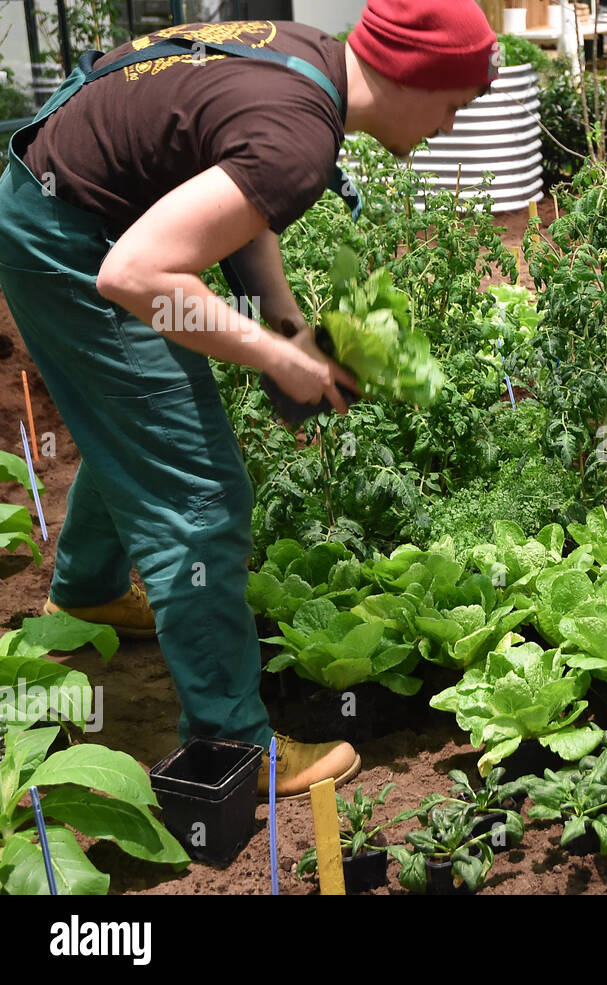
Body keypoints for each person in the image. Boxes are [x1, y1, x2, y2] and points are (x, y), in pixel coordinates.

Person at [0, 1, 499, 799]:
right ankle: (233, 746)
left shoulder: (311, 63)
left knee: (139, 418)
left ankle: (89, 589)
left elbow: (240, 198)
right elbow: (134, 278)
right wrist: (275, 357)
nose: (447, 128)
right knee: (200, 491)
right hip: (76, 244)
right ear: (413, 76)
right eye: (454, 104)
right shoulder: (304, 133)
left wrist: (285, 323)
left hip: (70, 205)